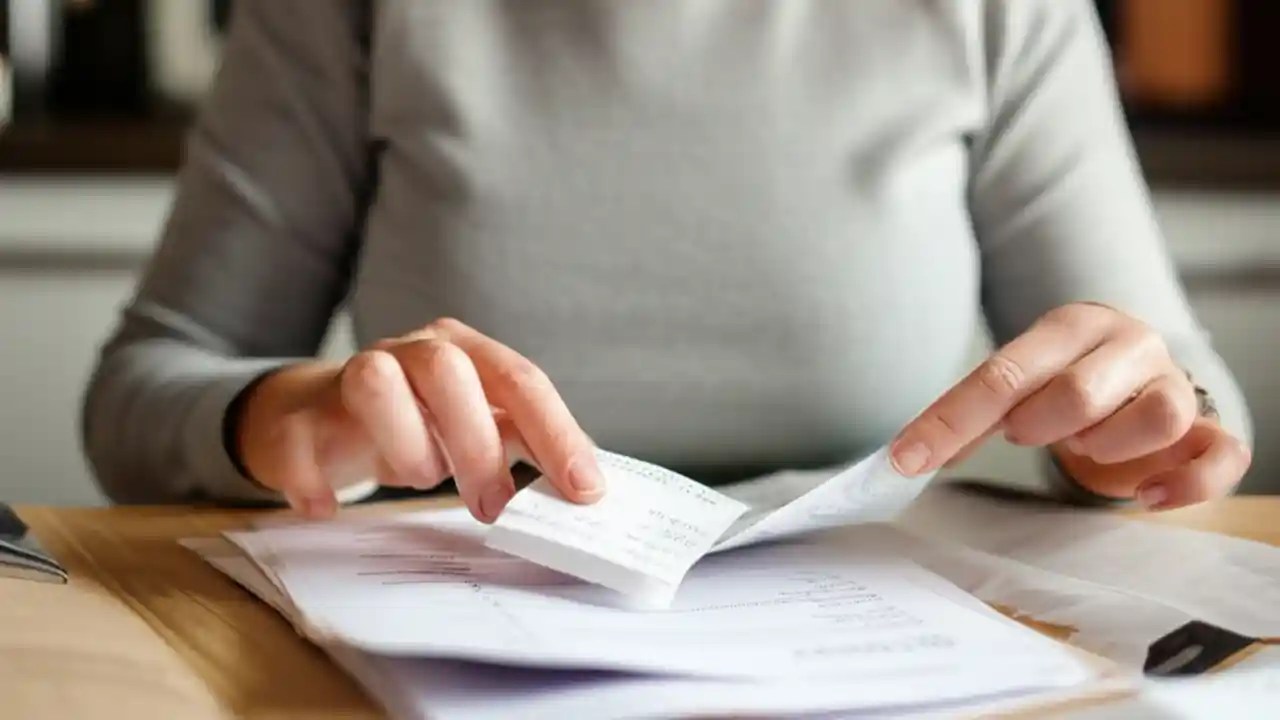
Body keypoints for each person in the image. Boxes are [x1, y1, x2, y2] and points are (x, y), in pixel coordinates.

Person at [82, 0, 1251, 524]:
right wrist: (289, 413)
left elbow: (1177, 382)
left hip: (883, 653)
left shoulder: (998, 10)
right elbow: (144, 389)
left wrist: (1149, 417)